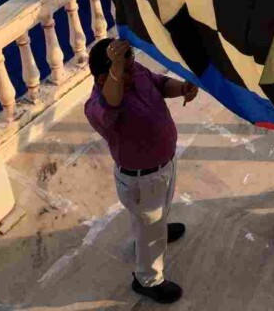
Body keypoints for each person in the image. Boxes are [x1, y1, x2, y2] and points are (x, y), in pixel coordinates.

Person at [84, 38, 197, 304]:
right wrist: (116, 68)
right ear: (104, 77)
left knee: (156, 217)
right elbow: (112, 101)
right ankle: (148, 280)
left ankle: (157, 231)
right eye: (124, 67)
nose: (132, 70)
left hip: (163, 166)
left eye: (130, 62)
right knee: (150, 230)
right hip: (141, 180)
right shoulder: (98, 106)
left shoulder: (135, 72)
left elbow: (159, 83)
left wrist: (182, 88)